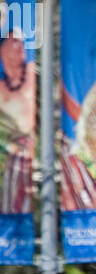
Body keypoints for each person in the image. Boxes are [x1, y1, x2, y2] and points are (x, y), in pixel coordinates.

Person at [0, 30, 36, 215]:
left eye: (21, 42)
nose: (19, 47)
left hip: (24, 166)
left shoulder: (31, 81)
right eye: (13, 42)